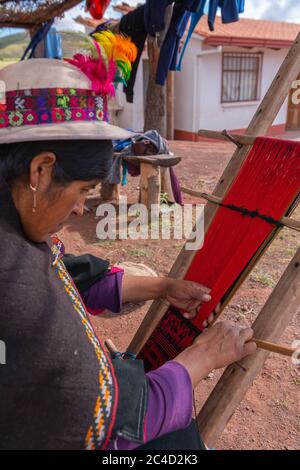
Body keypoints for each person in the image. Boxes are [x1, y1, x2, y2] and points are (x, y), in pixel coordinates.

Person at [0, 56, 256, 450]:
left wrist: (162, 287)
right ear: (41, 171)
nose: (82, 210)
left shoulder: (16, 225)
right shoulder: (14, 284)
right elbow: (110, 421)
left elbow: (68, 276)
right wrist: (203, 357)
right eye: (84, 190)